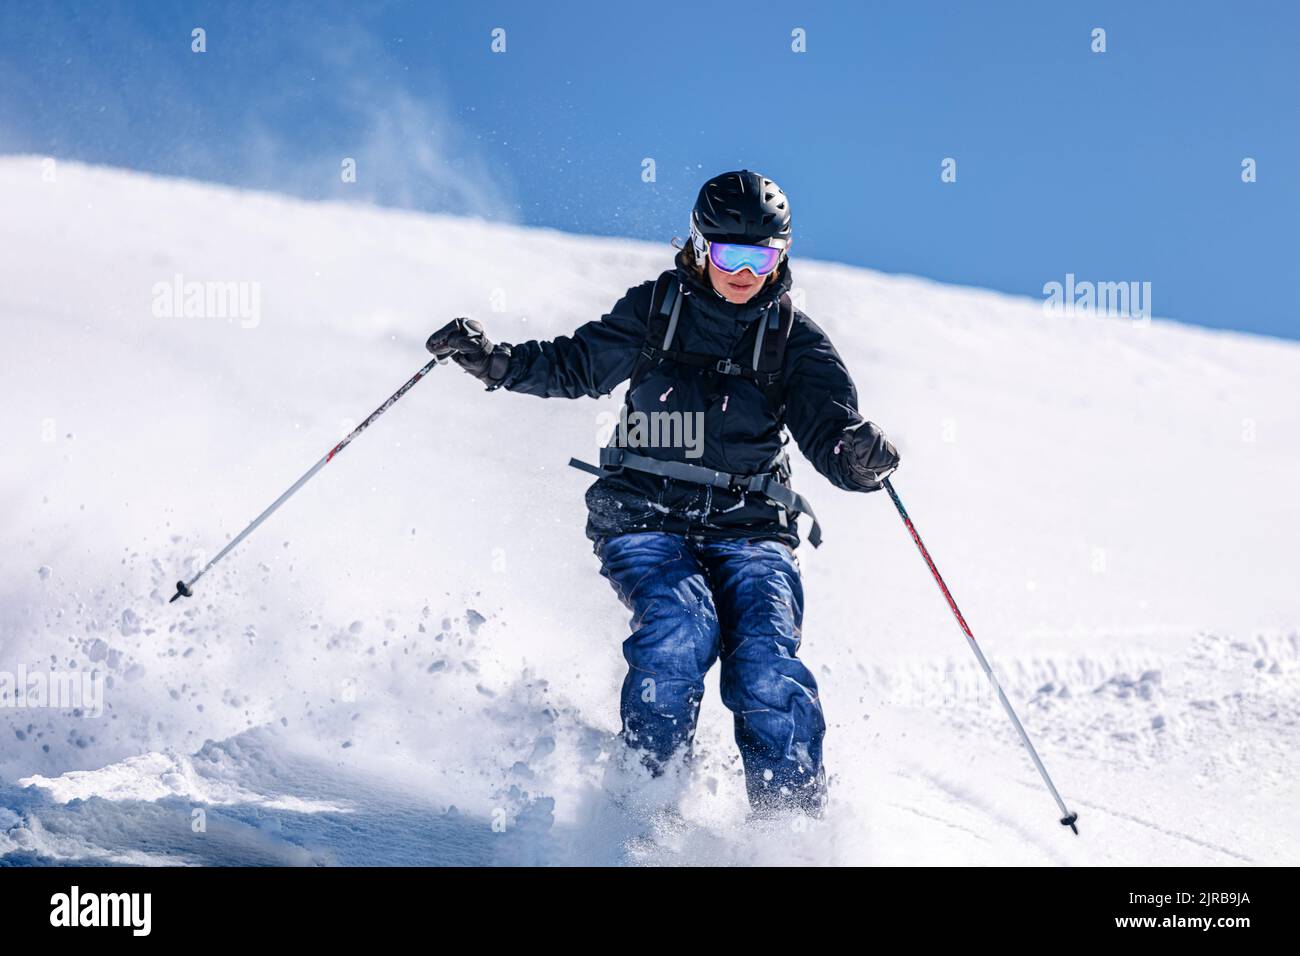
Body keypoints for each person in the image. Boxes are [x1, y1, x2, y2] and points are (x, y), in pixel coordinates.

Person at [427, 170, 899, 815]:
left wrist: (859, 457)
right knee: (681, 627)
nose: (744, 270)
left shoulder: (797, 342)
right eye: (730, 252)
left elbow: (831, 436)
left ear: (781, 254)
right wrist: (494, 362)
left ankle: (789, 831)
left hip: (752, 526)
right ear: (701, 246)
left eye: (761, 255)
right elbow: (574, 365)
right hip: (643, 512)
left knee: (762, 659)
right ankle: (643, 803)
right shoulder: (657, 311)